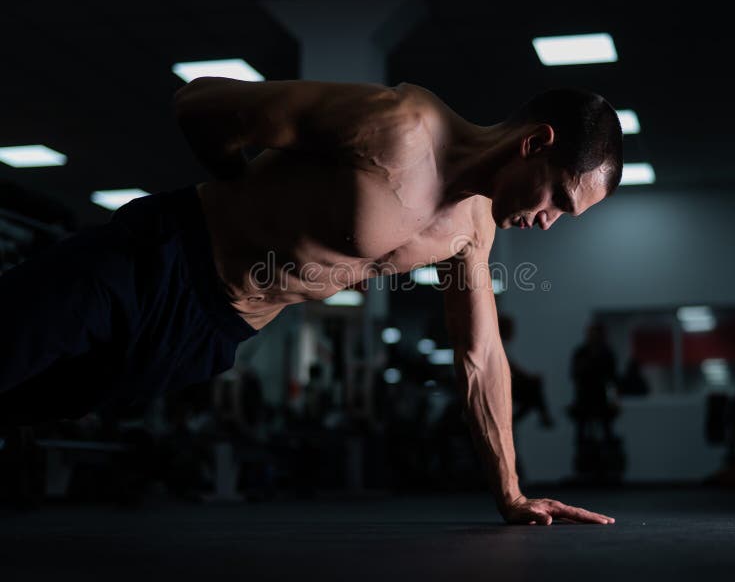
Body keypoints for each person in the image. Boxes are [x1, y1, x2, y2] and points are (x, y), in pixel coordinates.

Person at [0, 78, 622, 525]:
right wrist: (242, 201)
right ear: (535, 143)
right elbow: (201, 103)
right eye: (558, 203)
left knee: (28, 403)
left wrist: (511, 494)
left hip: (213, 334)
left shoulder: (473, 230)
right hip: (154, 260)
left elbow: (479, 354)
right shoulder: (396, 126)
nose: (548, 224)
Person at [570, 322, 618, 444]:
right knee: (582, 434)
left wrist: (613, 400)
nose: (592, 336)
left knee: (606, 432)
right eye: (590, 333)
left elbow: (611, 379)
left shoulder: (606, 353)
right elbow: (575, 375)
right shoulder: (581, 353)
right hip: (585, 398)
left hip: (600, 398)